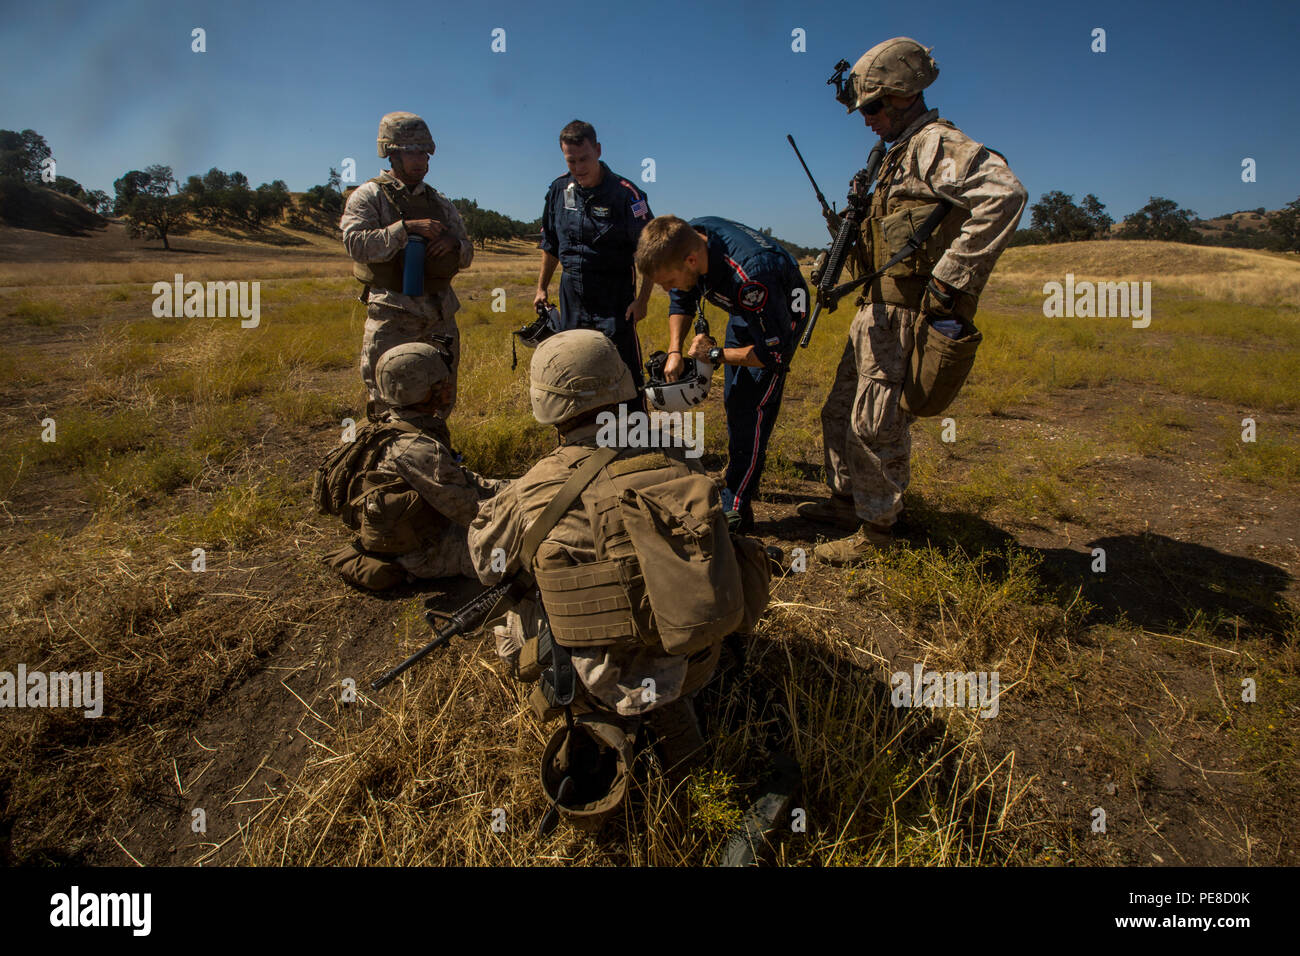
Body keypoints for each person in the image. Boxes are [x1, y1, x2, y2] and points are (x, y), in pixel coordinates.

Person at [467, 329, 769, 827]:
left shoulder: (532, 490)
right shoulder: (676, 454)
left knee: (513, 612)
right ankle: (670, 714)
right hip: (697, 660)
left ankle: (606, 725)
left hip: (592, 684)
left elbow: (486, 566)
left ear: (548, 405)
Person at [796, 38, 1027, 564]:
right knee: (840, 411)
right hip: (871, 310)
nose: (867, 119)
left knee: (876, 421)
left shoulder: (934, 143)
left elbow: (1004, 195)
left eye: (873, 106)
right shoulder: (891, 154)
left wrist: (952, 278)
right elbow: (887, 236)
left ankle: (878, 532)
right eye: (863, 109)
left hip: (903, 312)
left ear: (903, 95)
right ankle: (847, 501)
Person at [634, 215, 809, 534]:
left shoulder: (751, 278)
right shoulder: (687, 237)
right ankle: (738, 474)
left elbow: (773, 355)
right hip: (746, 315)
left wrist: (713, 355)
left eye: (668, 280)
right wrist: (675, 349)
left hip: (780, 314)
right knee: (734, 399)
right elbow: (682, 299)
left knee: (753, 410)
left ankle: (738, 506)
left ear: (692, 260)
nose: (667, 288)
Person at [320, 341, 507, 592]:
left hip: (398, 532)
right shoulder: (417, 448)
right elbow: (473, 513)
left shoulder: (374, 425)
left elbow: (455, 477)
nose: (448, 388)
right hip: (422, 553)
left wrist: (511, 486)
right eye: (439, 384)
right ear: (421, 391)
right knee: (516, 547)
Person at [340, 111, 474, 420]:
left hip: (439, 319)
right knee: (387, 401)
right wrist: (406, 230)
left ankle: (437, 460)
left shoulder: (439, 202)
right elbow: (354, 243)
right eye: (412, 153)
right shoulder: (369, 196)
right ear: (391, 153)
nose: (421, 161)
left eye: (425, 154)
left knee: (440, 399)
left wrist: (454, 244)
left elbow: (467, 254)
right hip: (393, 317)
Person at [536, 120, 654, 391]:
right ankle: (585, 432)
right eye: (571, 161)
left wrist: (642, 300)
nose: (579, 168)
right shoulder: (557, 190)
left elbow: (650, 253)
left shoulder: (627, 195)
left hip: (614, 299)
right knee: (575, 367)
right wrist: (541, 287)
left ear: (598, 150)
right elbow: (550, 243)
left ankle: (633, 430)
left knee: (623, 372)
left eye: (584, 159)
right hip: (572, 296)